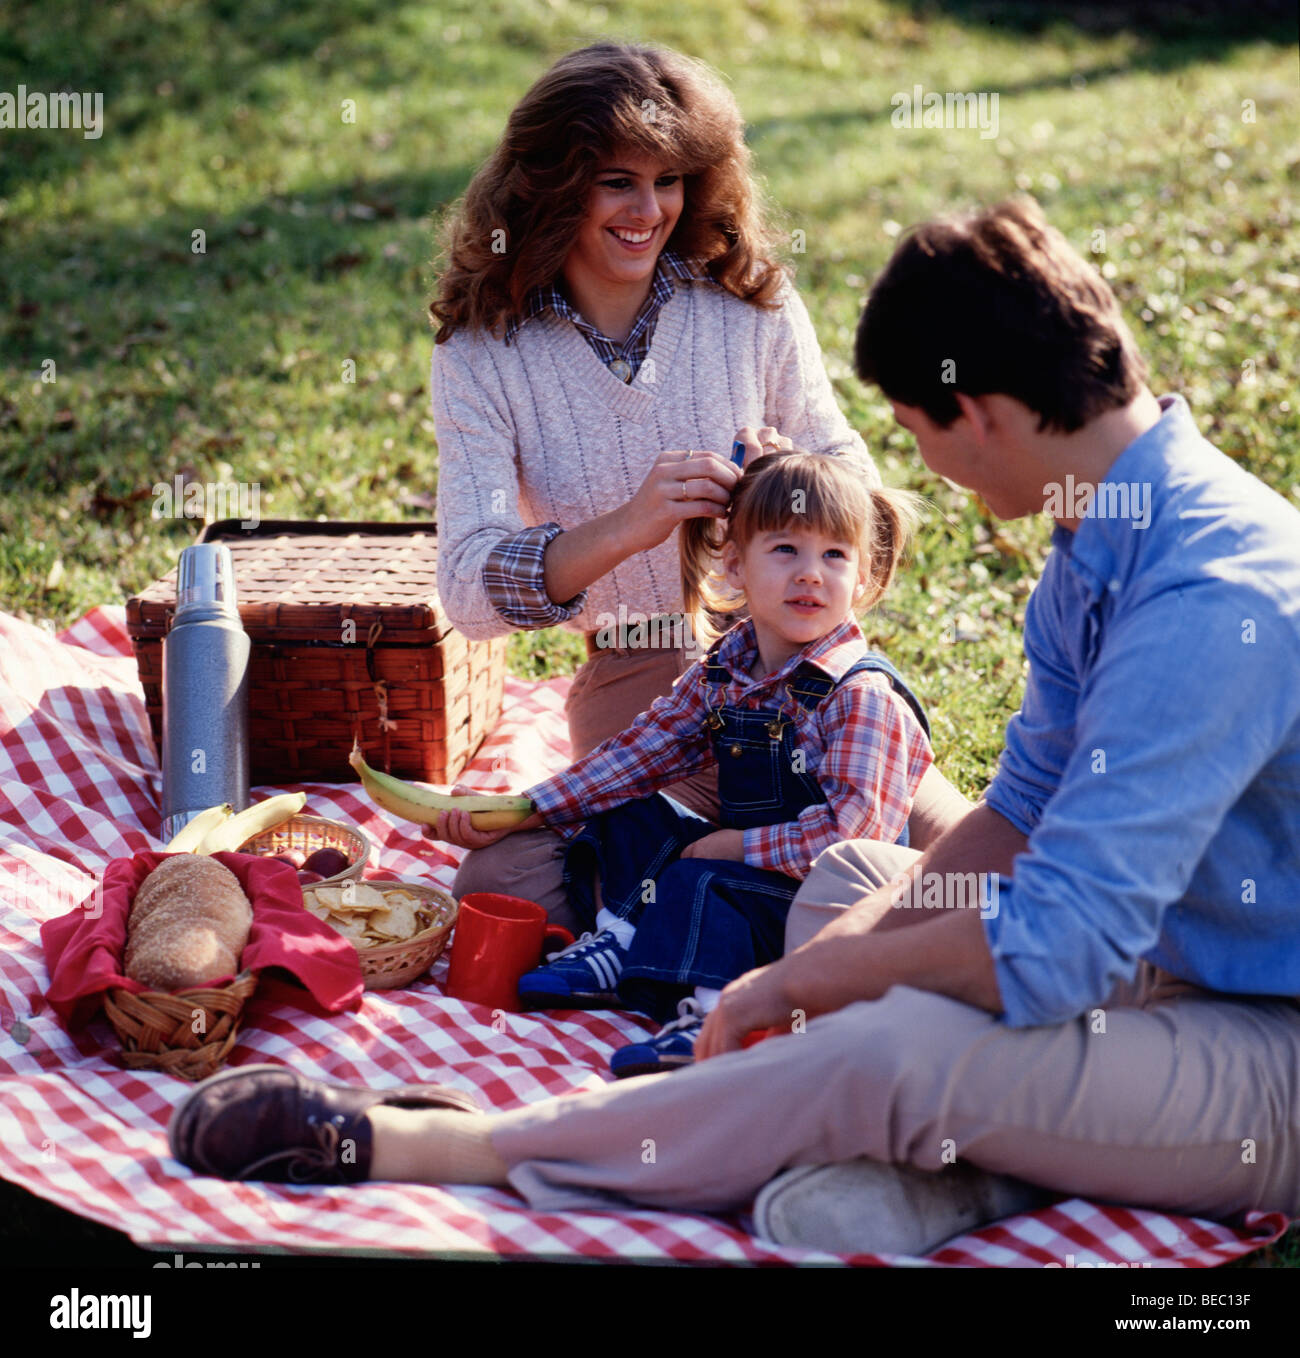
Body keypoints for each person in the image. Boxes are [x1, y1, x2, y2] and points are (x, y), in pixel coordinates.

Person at [168, 196, 1300, 1259]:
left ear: (982, 417)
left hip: (1261, 1035)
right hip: (1165, 970)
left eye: (918, 432)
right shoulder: (1094, 538)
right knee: (861, 870)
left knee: (886, 1044)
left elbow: (1054, 945)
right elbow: (1014, 814)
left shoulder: (1211, 600)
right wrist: (848, 953)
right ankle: (960, 1163)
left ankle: (447, 1141)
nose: (927, 469)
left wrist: (798, 988)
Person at [427, 42, 969, 928]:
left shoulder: (748, 302)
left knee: (965, 850)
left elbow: (861, 499)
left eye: (671, 179)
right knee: (503, 885)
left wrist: (792, 481)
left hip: (801, 666)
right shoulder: (484, 352)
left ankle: (842, 913)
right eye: (616, 183)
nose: (650, 210)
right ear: (552, 187)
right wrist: (625, 526)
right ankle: (811, 918)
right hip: (641, 675)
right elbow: (469, 589)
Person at [482, 451, 932, 1078]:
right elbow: (639, 753)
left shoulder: (859, 697)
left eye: (834, 556)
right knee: (632, 808)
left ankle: (715, 1017)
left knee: (701, 879)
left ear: (862, 578)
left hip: (819, 909)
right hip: (753, 878)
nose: (810, 575)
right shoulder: (728, 669)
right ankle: (622, 939)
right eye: (785, 550)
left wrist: (735, 847)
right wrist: (528, 808)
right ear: (735, 565)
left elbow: (852, 842)